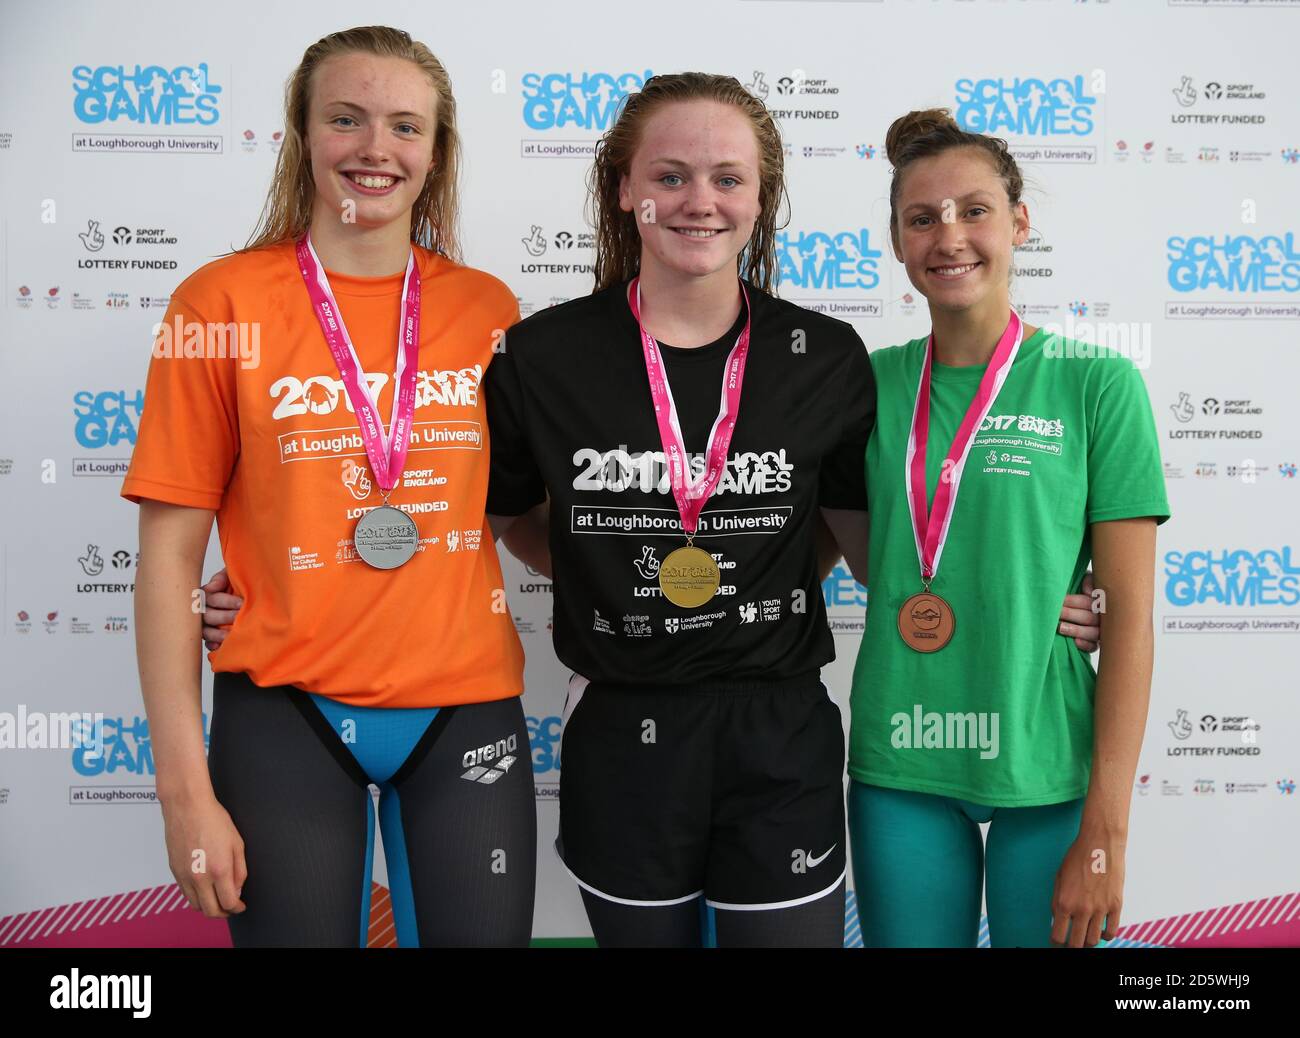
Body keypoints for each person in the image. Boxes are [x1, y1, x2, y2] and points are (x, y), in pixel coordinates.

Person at [201, 75, 1102, 949]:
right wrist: (273, 580)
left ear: (761, 197)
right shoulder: (543, 353)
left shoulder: (822, 356)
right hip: (623, 734)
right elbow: (488, 508)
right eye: (669, 176)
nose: (697, 201)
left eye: (727, 179)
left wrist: (1058, 592)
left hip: (777, 732)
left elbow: (868, 535)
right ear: (625, 188)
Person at [122, 25, 535, 948]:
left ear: (436, 152)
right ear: (303, 135)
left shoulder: (489, 311)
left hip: (465, 709)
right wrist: (184, 796)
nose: (374, 149)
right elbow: (169, 558)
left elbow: (521, 512)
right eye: (345, 119)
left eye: (404, 126)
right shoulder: (218, 305)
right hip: (287, 714)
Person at [846, 109, 1167, 948]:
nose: (949, 236)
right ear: (897, 242)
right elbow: (825, 544)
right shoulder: (860, 385)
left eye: (974, 210)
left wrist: (1107, 832)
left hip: (1048, 765)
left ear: (1019, 222)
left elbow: (1130, 617)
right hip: (902, 758)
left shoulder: (1096, 382)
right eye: (922, 219)